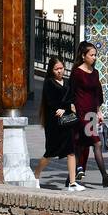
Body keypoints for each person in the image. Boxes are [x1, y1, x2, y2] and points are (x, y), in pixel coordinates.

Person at [33, 56, 84, 191]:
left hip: (66, 123)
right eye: (56, 69)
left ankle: (72, 183)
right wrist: (62, 107)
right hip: (53, 124)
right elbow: (51, 102)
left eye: (61, 68)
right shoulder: (49, 83)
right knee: (50, 153)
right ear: (51, 70)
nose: (60, 71)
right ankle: (36, 175)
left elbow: (71, 100)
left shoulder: (66, 82)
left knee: (70, 151)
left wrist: (66, 107)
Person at [70, 41, 108, 187]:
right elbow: (70, 92)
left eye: (95, 55)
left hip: (91, 114)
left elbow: (97, 94)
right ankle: (105, 177)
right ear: (83, 56)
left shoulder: (95, 73)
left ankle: (70, 177)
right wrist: (72, 107)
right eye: (91, 55)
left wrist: (99, 111)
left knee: (81, 146)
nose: (94, 57)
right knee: (96, 142)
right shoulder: (77, 73)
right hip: (81, 113)